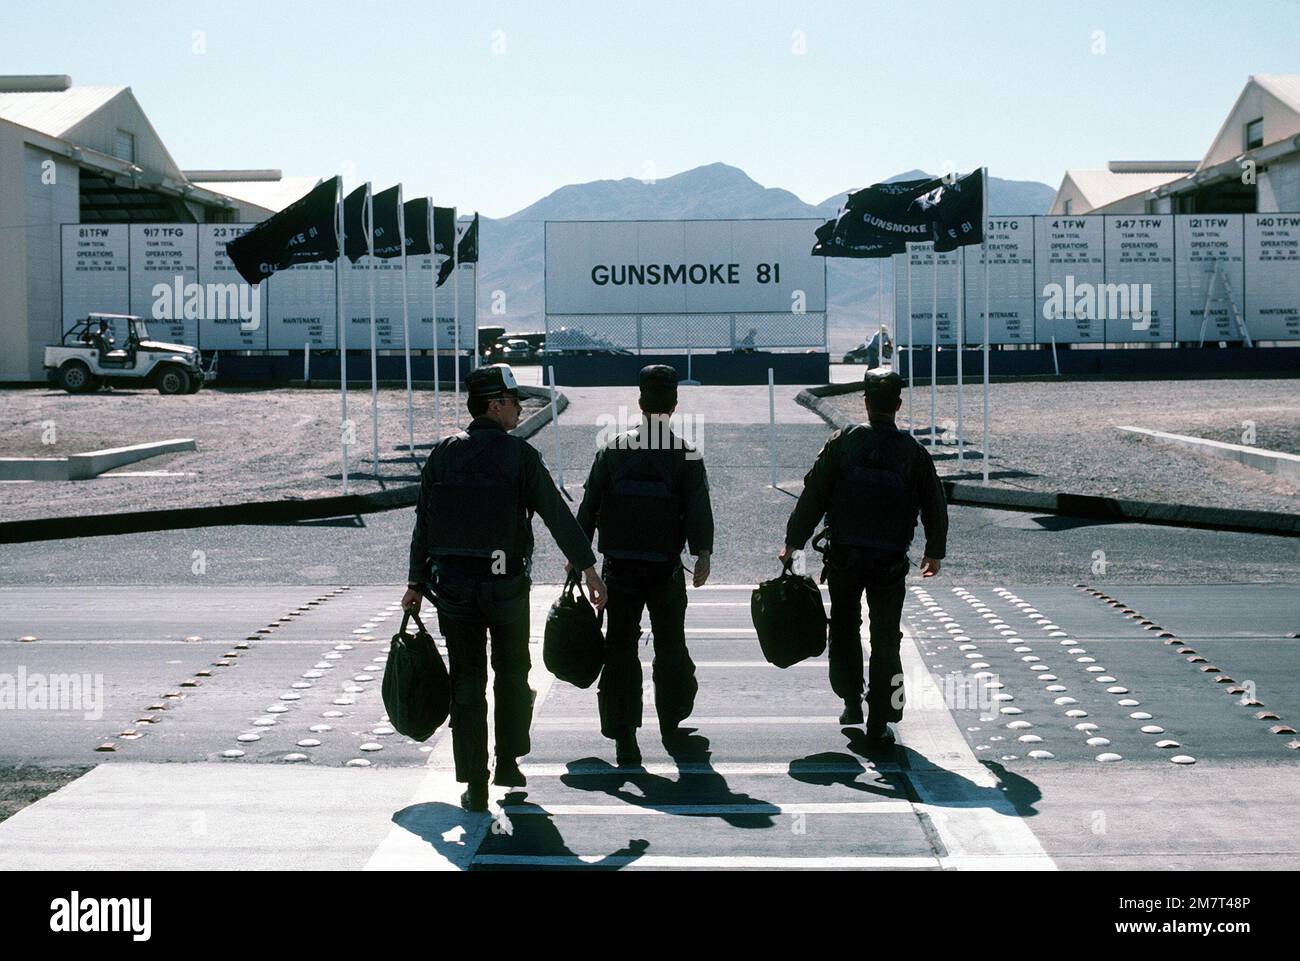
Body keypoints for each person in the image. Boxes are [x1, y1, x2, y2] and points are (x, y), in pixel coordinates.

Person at [401, 363, 607, 812]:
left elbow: (424, 523)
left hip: (452, 590)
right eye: (514, 403)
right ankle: (509, 762)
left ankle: (474, 780)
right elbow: (556, 514)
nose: (518, 411)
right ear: (495, 405)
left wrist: (415, 583)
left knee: (467, 684)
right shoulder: (520, 457)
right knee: (512, 675)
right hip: (506, 590)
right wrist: (590, 569)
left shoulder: (443, 454)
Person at [779, 368, 947, 747]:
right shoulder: (914, 452)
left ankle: (851, 701)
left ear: (866, 403)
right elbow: (935, 504)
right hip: (890, 560)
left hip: (844, 557)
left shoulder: (843, 443)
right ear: (898, 405)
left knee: (843, 626)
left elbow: (813, 496)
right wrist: (934, 551)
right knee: (886, 636)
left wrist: (794, 542)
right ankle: (882, 717)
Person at [575, 365, 714, 766]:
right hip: (666, 570)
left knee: (620, 648)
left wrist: (581, 562)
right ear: (673, 404)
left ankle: (624, 736)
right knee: (671, 644)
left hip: (619, 569)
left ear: (640, 403)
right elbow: (698, 509)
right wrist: (702, 554)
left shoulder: (613, 450)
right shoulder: (686, 454)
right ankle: (671, 720)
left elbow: (588, 509)